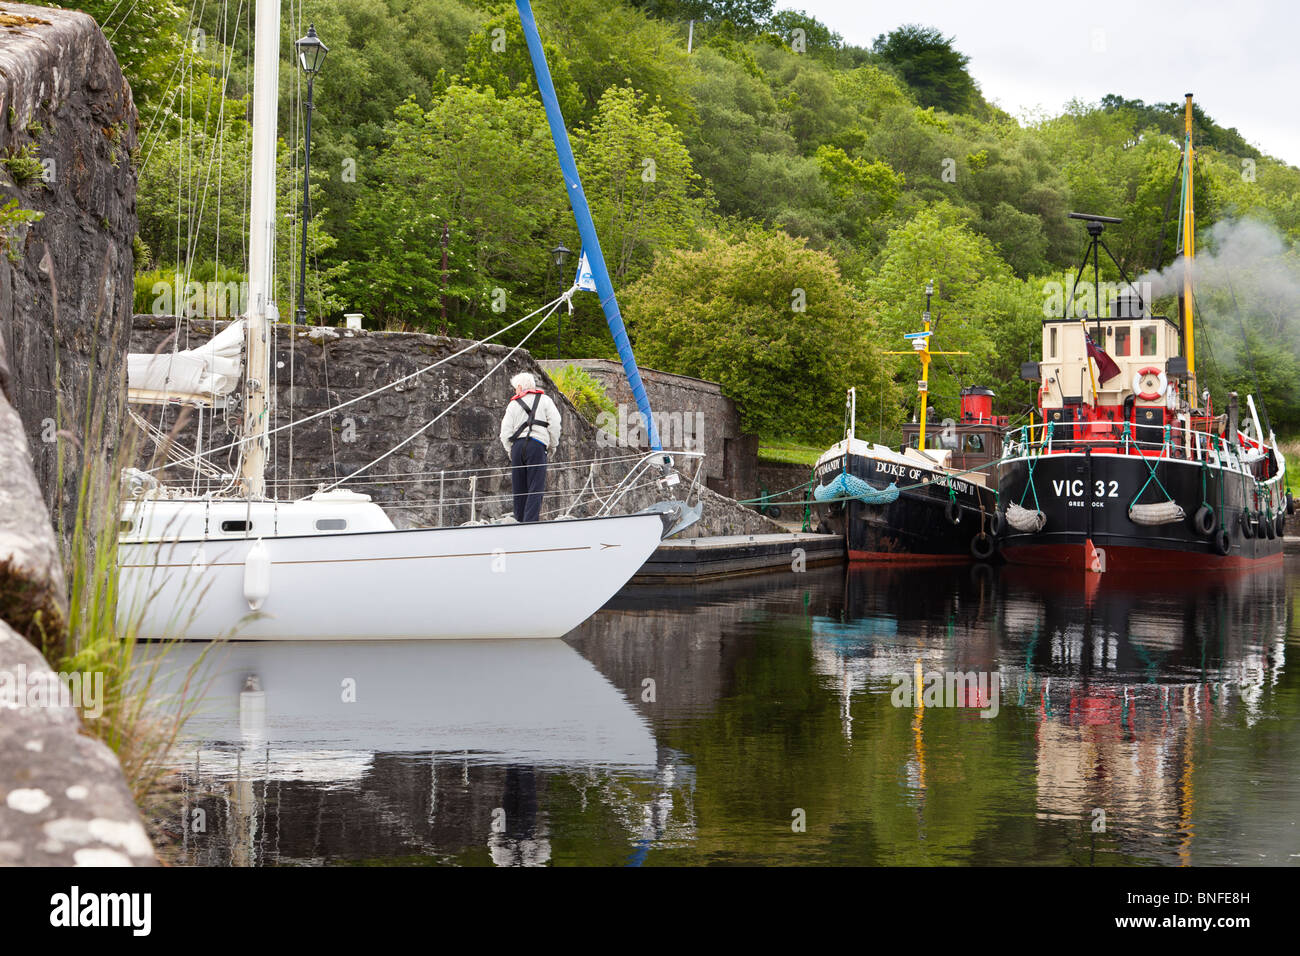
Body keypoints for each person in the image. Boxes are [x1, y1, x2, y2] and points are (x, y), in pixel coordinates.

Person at [499, 372, 562, 523]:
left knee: (519, 488)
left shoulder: (513, 404)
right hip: (537, 445)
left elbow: (505, 432)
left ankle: (519, 521)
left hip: (517, 447)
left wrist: (510, 450)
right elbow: (555, 425)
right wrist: (552, 445)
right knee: (535, 487)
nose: (515, 391)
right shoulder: (545, 400)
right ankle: (530, 523)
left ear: (520, 387)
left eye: (515, 388)